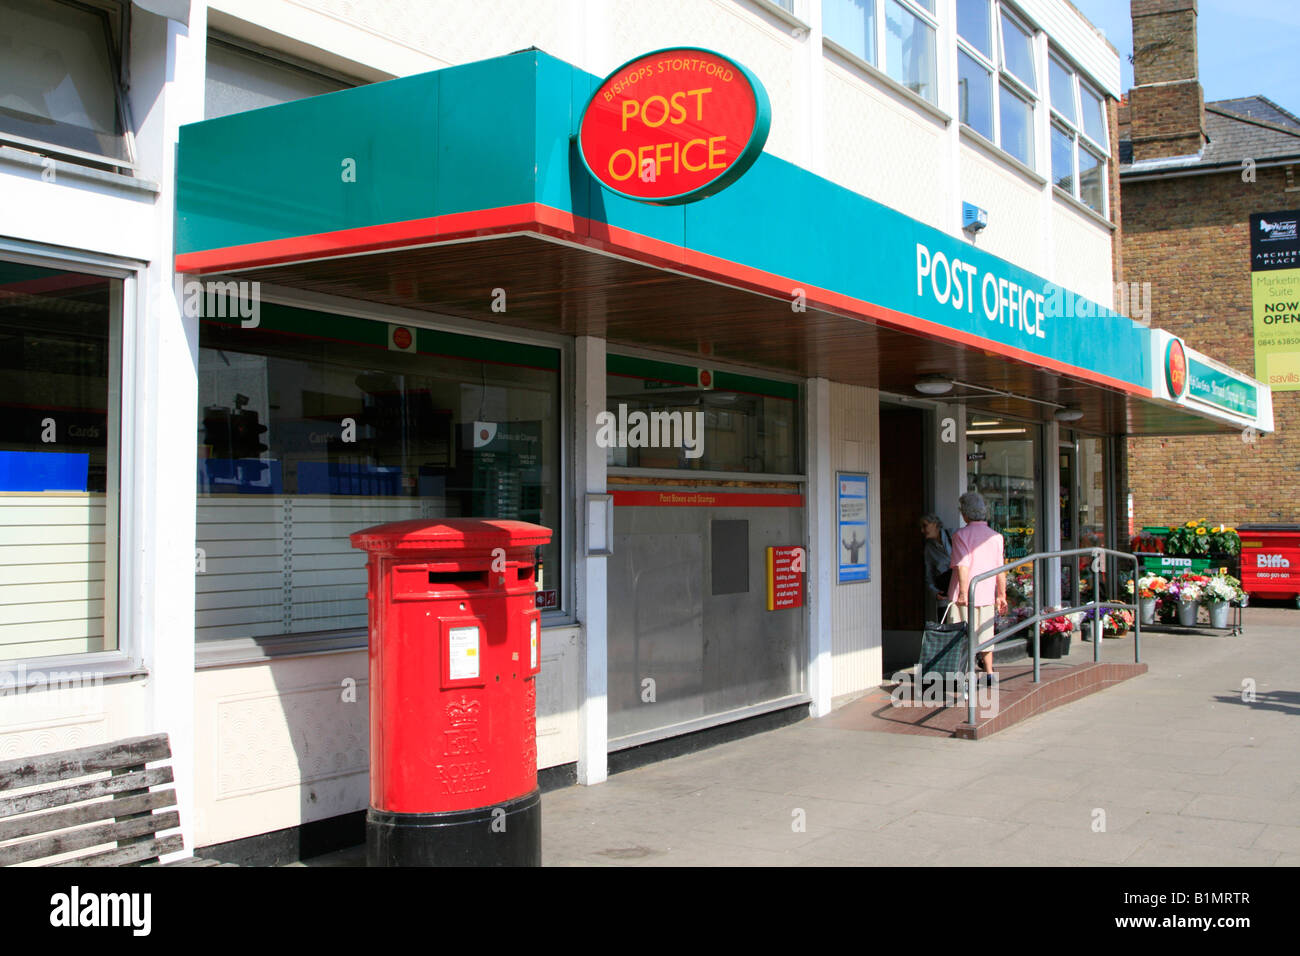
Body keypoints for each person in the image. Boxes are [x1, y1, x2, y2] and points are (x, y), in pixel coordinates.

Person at [947, 491, 1008, 679]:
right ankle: (989, 672)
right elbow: (1000, 569)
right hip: (987, 594)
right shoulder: (996, 537)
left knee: (961, 635)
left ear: (965, 513)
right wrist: (1001, 595)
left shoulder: (960, 535)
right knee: (985, 634)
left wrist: (963, 593)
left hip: (965, 596)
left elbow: (963, 565)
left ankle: (964, 674)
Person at [920, 514, 951, 621]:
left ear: (935, 524)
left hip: (960, 595)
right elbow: (929, 575)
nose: (922, 530)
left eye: (925, 526)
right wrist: (935, 592)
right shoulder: (929, 548)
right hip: (944, 597)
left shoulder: (954, 535)